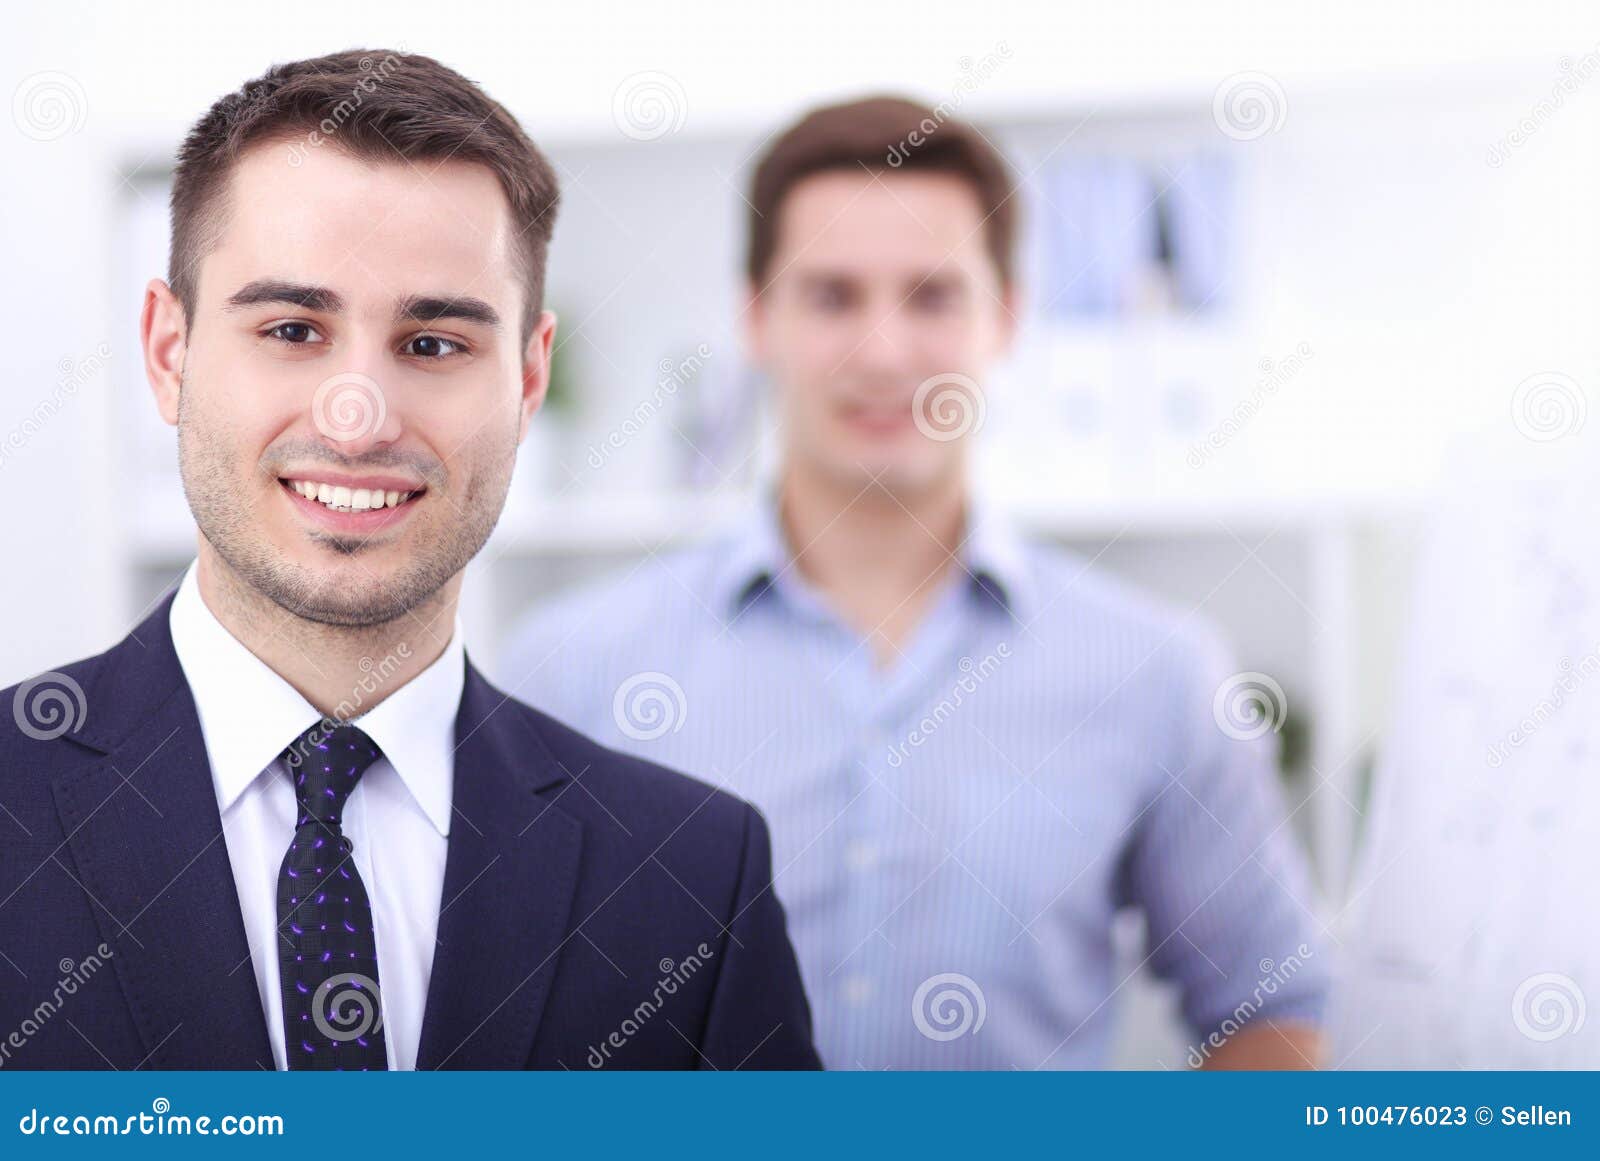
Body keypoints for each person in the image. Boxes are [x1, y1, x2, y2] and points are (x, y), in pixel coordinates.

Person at [0, 49, 819, 1072]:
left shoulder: (689, 877)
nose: (358, 418)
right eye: (293, 329)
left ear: (527, 376)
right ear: (171, 353)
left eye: (433, 344)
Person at [500, 96, 1330, 1069]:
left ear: (1008, 319)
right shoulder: (571, 671)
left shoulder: (1154, 672)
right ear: (756, 319)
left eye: (932, 296)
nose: (884, 352)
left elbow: (1269, 1007)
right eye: (833, 296)